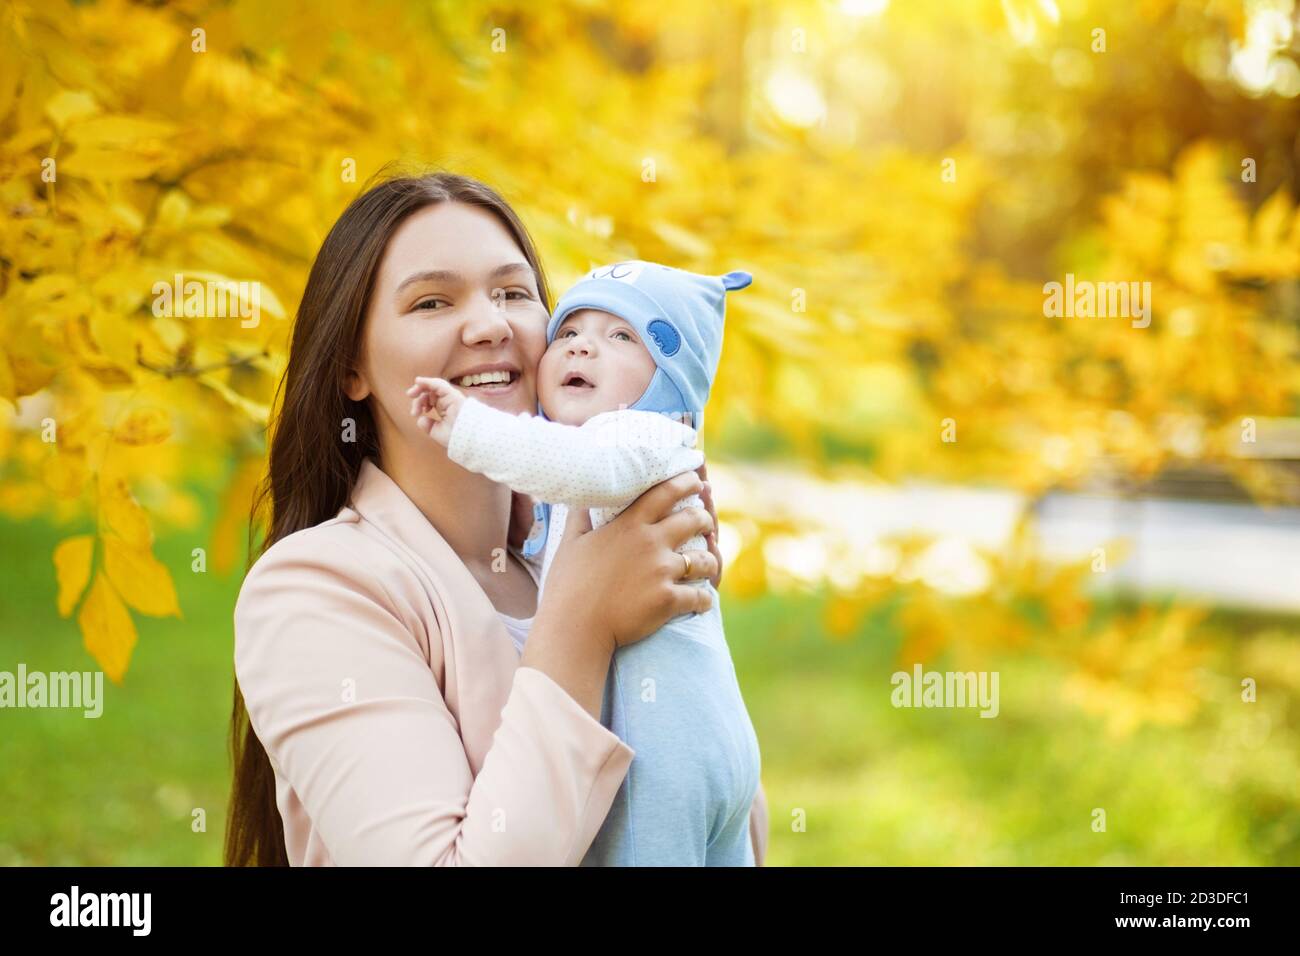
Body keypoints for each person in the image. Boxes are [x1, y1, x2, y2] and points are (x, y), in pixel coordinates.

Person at [224, 171, 769, 866]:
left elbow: (721, 817)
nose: (490, 324)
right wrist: (584, 625)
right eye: (431, 301)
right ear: (350, 369)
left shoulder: (602, 536)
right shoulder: (313, 592)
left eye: (514, 293)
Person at [407, 259, 761, 865]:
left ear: (673, 380)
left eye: (622, 337)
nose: (583, 350)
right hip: (712, 747)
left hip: (663, 756)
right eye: (569, 333)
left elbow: (577, 465)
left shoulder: (641, 436)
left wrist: (466, 426)